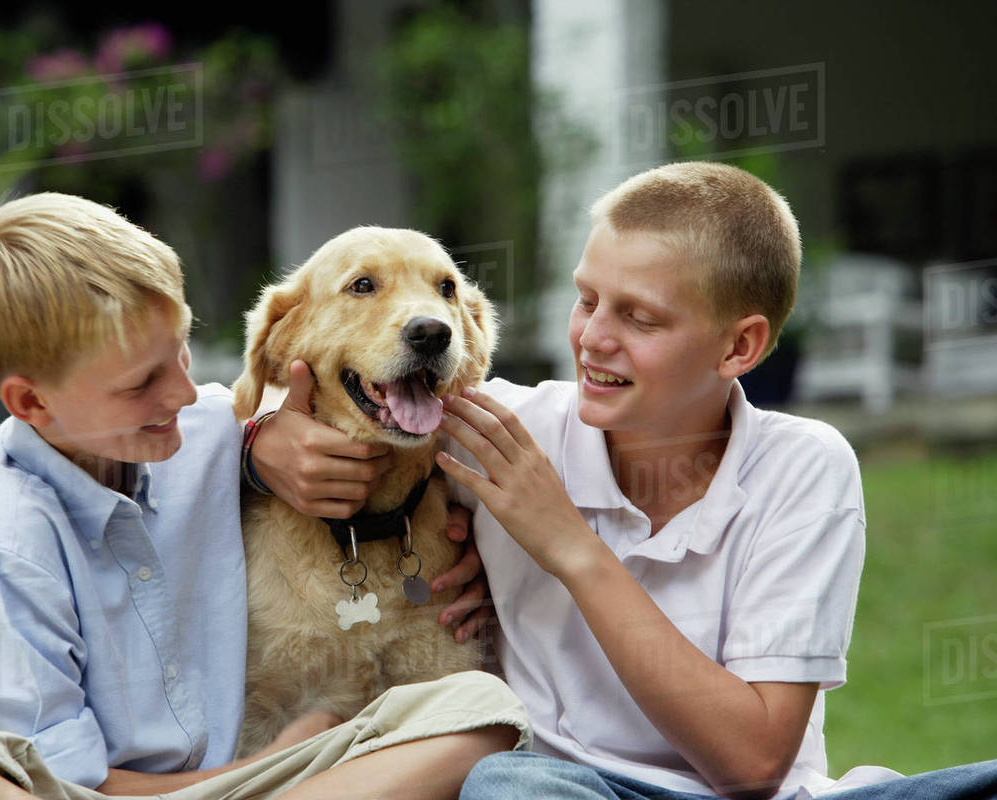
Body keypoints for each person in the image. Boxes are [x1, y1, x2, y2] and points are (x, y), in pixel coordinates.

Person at [0, 193, 529, 800]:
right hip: (115, 793)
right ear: (32, 403)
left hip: (262, 776)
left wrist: (262, 446)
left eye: (182, 351)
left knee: (482, 715)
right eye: (142, 383)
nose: (186, 394)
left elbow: (250, 419)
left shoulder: (187, 432)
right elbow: (63, 784)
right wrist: (286, 756)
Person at [425, 162, 997, 799]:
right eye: (587, 300)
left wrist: (571, 549)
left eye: (640, 318)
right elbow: (345, 407)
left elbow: (753, 767)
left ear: (738, 348)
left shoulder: (803, 466)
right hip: (570, 788)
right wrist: (317, 455)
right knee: (509, 783)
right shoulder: (505, 434)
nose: (593, 337)